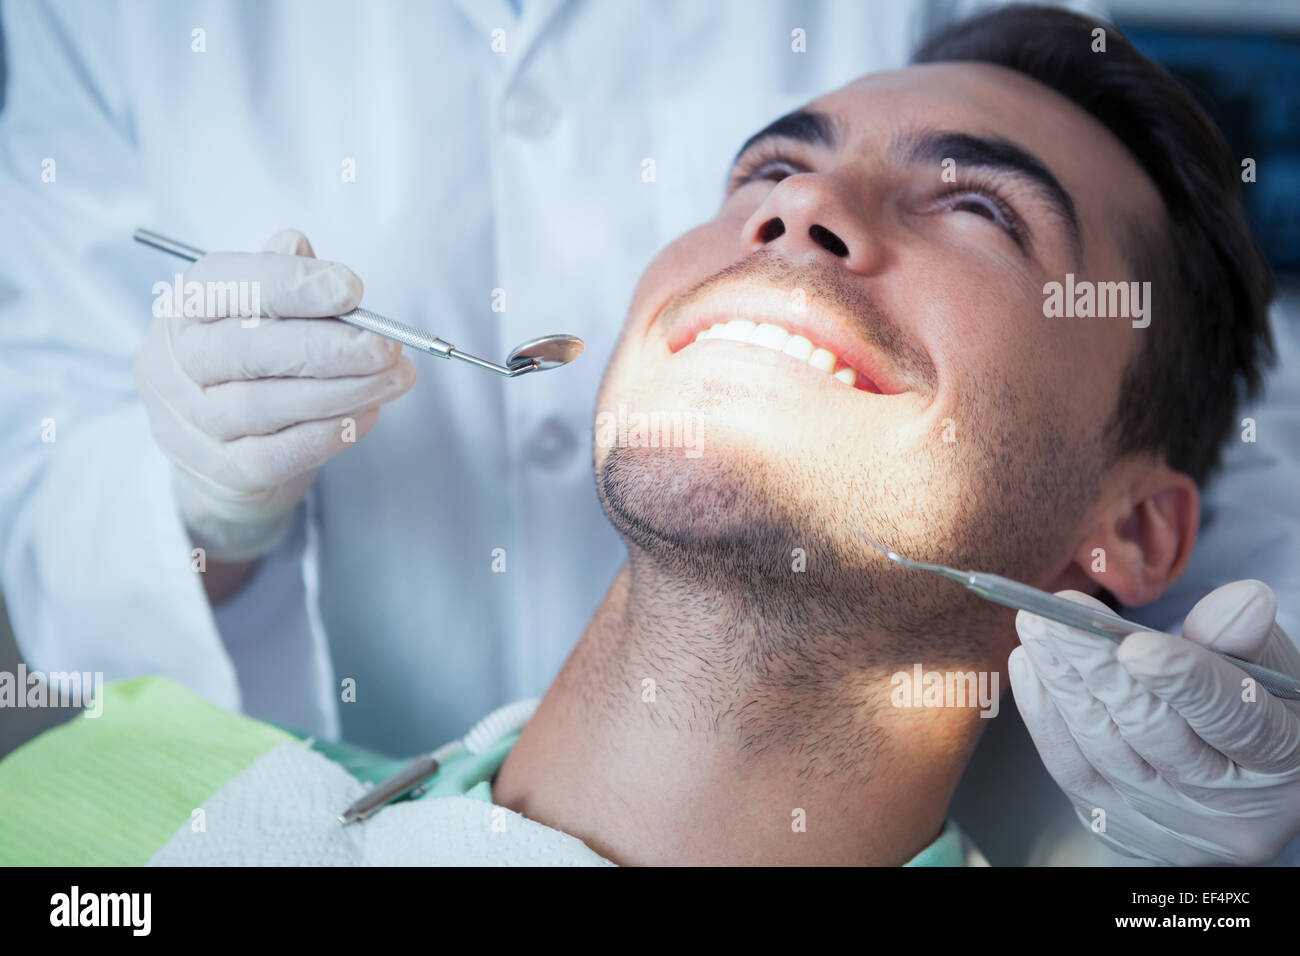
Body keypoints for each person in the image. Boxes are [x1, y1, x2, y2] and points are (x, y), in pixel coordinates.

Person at [2, 5, 1296, 866]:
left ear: (1132, 534)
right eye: (767, 171)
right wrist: (195, 502)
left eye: (977, 207)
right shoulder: (79, 824)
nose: (801, 215)